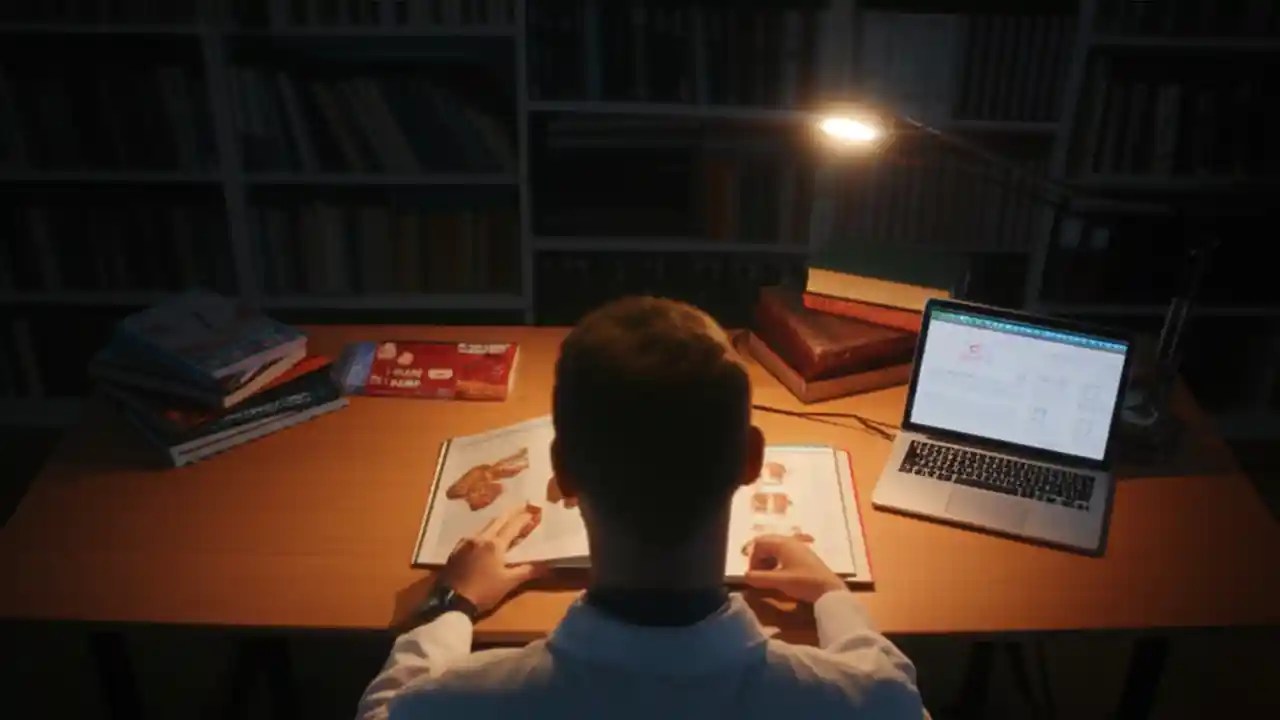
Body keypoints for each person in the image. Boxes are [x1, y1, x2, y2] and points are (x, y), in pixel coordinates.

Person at [357, 297, 922, 720]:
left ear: (564, 471)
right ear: (750, 460)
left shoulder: (456, 706)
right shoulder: (867, 705)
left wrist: (454, 605)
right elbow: (895, 690)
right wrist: (832, 596)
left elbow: (383, 709)